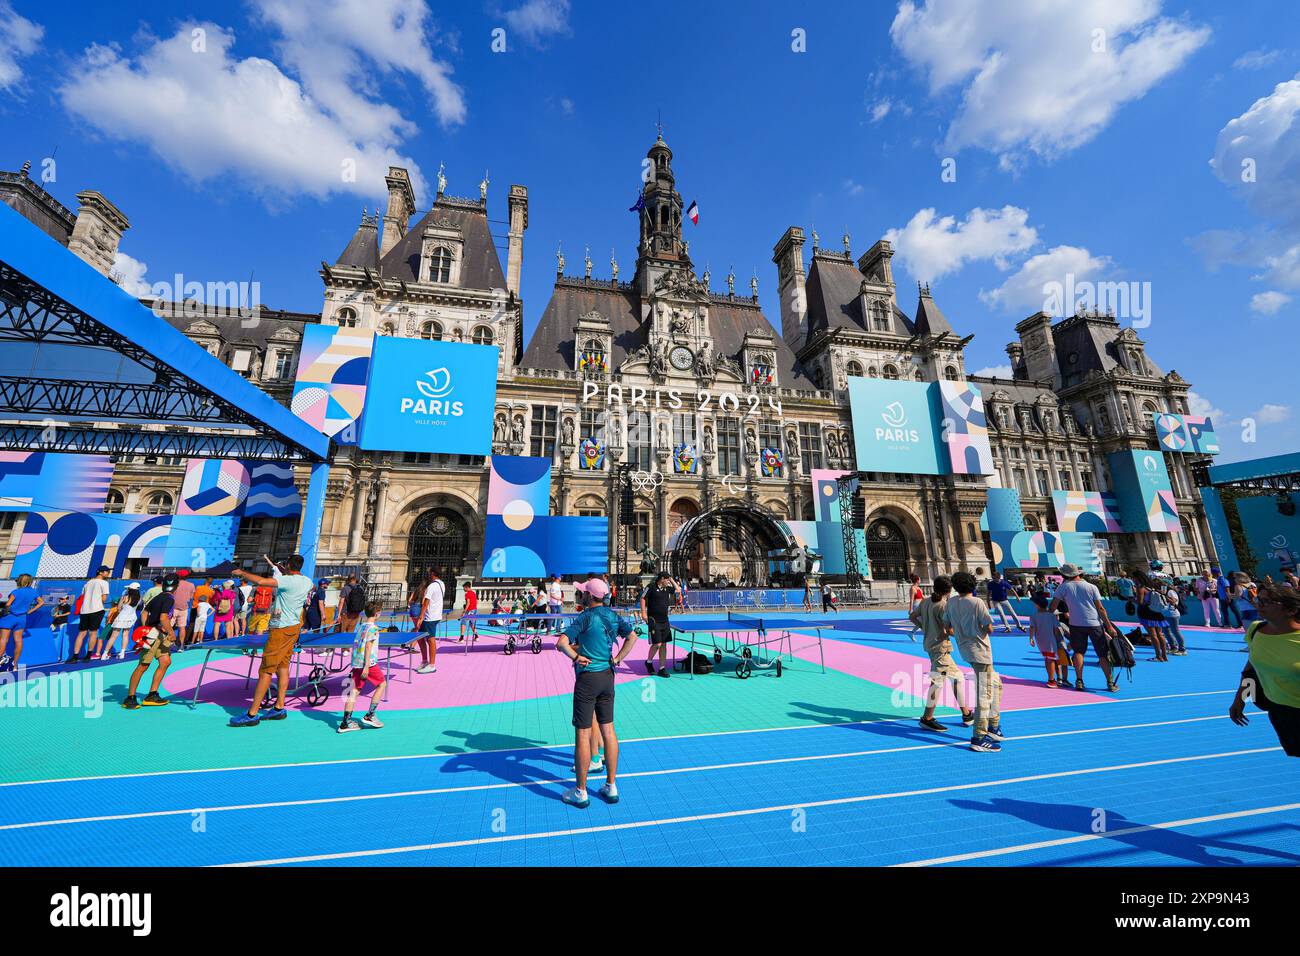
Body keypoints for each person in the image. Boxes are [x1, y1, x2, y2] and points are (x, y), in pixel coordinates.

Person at [556, 577, 638, 807]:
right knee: (609, 730)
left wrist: (576, 656)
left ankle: (581, 791)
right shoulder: (613, 616)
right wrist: (618, 658)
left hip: (587, 679)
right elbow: (632, 636)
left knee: (583, 734)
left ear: (589, 597)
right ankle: (611, 786)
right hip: (607, 677)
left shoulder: (584, 617)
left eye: (583, 593)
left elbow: (561, 642)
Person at [227, 554, 314, 727]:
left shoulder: (287, 582)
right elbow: (293, 581)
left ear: (289, 565)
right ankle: (279, 707)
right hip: (294, 628)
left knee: (266, 670)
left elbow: (260, 581)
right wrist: (284, 571)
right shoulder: (307, 582)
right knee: (282, 666)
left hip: (280, 629)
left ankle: (252, 714)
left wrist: (241, 572)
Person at [1230, 582, 1300, 758]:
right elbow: (1251, 667)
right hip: (1279, 711)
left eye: (1268, 601)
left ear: (1290, 610)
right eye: (1259, 599)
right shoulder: (1256, 629)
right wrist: (1240, 698)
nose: (1259, 603)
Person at [944, 571, 1004, 752]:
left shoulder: (951, 602)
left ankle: (993, 724)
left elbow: (948, 628)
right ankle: (979, 736)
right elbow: (989, 628)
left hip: (965, 649)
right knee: (984, 693)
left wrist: (962, 634)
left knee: (997, 685)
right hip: (981, 651)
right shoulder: (977, 602)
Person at [909, 575, 971, 731]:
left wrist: (924, 628)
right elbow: (949, 630)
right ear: (949, 591)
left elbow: (912, 616)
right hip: (941, 648)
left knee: (956, 678)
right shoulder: (944, 606)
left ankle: (966, 713)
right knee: (937, 682)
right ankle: (927, 718)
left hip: (931, 645)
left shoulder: (925, 601)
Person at [1050, 563, 1121, 692]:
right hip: (1094, 623)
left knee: (1078, 652)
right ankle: (1110, 682)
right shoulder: (1091, 587)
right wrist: (1109, 626)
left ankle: (1079, 681)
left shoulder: (1063, 587)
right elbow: (1100, 608)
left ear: (1065, 575)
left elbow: (1053, 606)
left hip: (1076, 624)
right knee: (1102, 654)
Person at [123, 572, 181, 709]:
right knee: (143, 665)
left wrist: (145, 626)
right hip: (154, 635)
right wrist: (172, 634)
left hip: (159, 635)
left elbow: (144, 612)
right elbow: (163, 618)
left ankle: (152, 694)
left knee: (165, 661)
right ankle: (130, 697)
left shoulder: (157, 597)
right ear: (176, 586)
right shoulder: (169, 599)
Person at [339, 600, 388, 733]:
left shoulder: (361, 626)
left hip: (356, 662)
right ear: (377, 614)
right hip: (368, 663)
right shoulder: (373, 628)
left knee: (355, 690)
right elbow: (368, 646)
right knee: (382, 684)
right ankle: (370, 715)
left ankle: (346, 722)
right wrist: (366, 666)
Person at [0, 573, 43, 672]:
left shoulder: (16, 592)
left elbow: (8, 604)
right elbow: (41, 602)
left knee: (3, 640)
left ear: (20, 581)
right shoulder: (33, 592)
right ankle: (14, 666)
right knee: (18, 640)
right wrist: (31, 611)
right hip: (22, 618)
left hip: (9, 617)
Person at [640, 571, 679, 677]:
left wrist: (671, 579)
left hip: (665, 620)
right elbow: (643, 598)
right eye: (667, 579)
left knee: (664, 644)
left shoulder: (667, 588)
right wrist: (643, 613)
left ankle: (662, 668)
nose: (668, 582)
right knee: (657, 644)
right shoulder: (651, 587)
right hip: (654, 620)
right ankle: (648, 662)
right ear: (662, 579)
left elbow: (678, 590)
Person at [1027, 591, 1068, 687]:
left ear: (1037, 605)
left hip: (1040, 641)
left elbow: (1032, 627)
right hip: (1050, 641)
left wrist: (1031, 638)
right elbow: (1056, 629)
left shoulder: (1033, 616)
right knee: (1051, 659)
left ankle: (1050, 678)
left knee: (1047, 659)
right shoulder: (1051, 616)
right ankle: (1051, 680)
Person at [71, 566, 111, 662]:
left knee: (81, 633)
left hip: (84, 610)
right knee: (93, 633)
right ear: (100, 572)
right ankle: (88, 656)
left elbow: (83, 596)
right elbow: (104, 599)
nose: (108, 573)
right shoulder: (104, 583)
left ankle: (75, 657)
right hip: (96, 610)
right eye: (107, 572)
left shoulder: (88, 583)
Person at [1133, 571, 1170, 662]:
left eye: (1133, 577)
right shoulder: (1151, 586)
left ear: (1137, 578)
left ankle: (1158, 656)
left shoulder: (1140, 587)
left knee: (1153, 635)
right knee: (1160, 634)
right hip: (1156, 611)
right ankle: (1164, 656)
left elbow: (1140, 602)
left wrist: (1131, 599)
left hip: (1146, 612)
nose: (1132, 579)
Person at [413, 571, 445, 675]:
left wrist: (421, 616)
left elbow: (426, 602)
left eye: (430, 574)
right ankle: (425, 661)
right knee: (420, 637)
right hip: (434, 615)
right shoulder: (442, 584)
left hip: (429, 617)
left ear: (432, 574)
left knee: (431, 640)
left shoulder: (432, 586)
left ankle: (432, 665)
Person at [98, 584, 140, 660]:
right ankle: (122, 653)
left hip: (122, 617)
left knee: (113, 636)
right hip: (131, 617)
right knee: (125, 635)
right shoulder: (138, 598)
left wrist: (121, 609)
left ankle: (104, 654)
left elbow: (118, 608)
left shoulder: (124, 597)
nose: (127, 589)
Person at [987, 570, 1026, 634]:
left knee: (1012, 612)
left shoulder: (1004, 583)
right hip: (996, 601)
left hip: (1004, 600)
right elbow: (988, 594)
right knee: (1001, 614)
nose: (993, 579)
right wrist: (988, 603)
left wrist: (1017, 597)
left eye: (994, 578)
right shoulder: (990, 584)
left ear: (998, 578)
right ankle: (1008, 627)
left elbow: (1012, 590)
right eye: (992, 578)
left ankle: (1019, 625)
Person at [169, 570, 196, 651]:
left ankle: (168, 644)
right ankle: (181, 646)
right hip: (184, 608)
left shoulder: (174, 584)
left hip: (173, 608)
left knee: (168, 626)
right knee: (182, 627)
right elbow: (191, 597)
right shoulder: (191, 585)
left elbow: (170, 594)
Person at [1161, 577, 1188, 656]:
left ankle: (1182, 649)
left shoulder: (1171, 592)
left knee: (1175, 632)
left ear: (1166, 584)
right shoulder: (1166, 591)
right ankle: (1173, 647)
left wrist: (1164, 596)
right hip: (1166, 614)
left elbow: (1173, 602)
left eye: (1162, 584)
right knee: (1166, 631)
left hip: (1172, 614)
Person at [51, 596, 72, 663]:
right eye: (60, 599)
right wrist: (55, 615)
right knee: (49, 632)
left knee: (62, 637)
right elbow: (56, 612)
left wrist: (59, 616)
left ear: (66, 600)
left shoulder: (67, 606)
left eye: (62, 599)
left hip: (63, 623)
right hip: (55, 622)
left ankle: (62, 655)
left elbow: (68, 613)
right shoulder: (58, 606)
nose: (61, 600)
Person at [906, 573, 924, 642]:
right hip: (916, 606)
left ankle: (911, 633)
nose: (920, 580)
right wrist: (910, 609)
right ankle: (927, 635)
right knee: (922, 621)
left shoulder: (919, 588)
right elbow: (911, 599)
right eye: (919, 579)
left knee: (922, 622)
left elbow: (923, 597)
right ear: (917, 580)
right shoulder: (912, 588)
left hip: (921, 605)